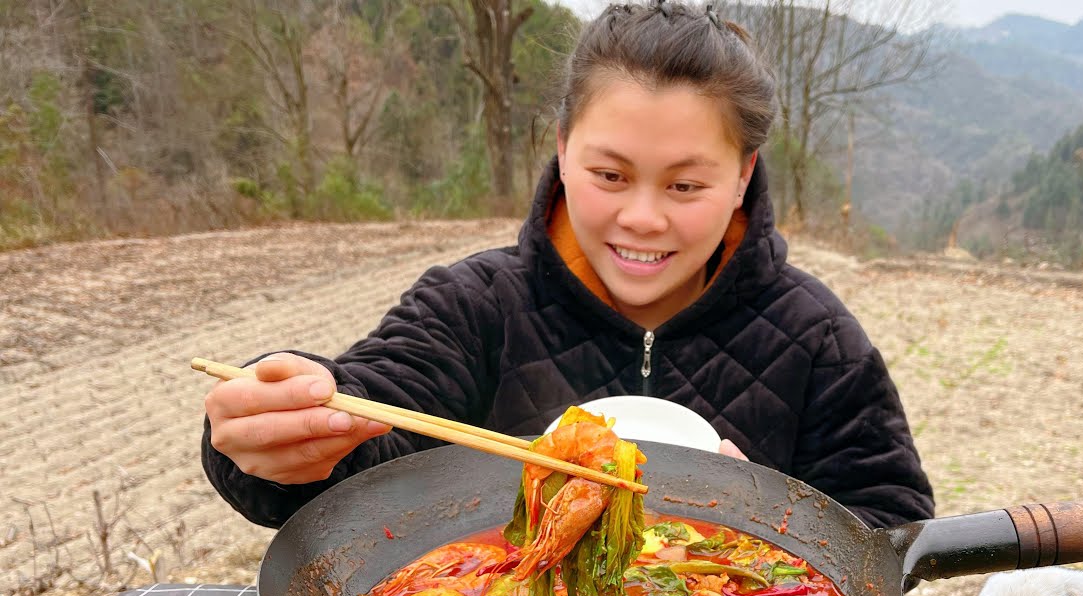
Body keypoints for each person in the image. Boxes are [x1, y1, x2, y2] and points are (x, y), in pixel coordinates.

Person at [201, 0, 933, 530]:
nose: (642, 217)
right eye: (610, 175)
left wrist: (759, 524)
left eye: (685, 185)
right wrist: (289, 430)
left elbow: (890, 519)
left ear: (743, 176)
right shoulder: (476, 304)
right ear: (561, 147)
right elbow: (370, 420)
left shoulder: (815, 336)